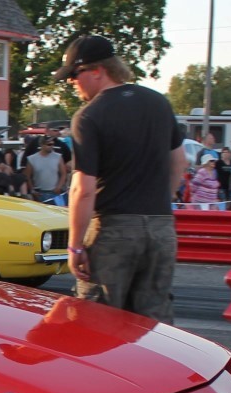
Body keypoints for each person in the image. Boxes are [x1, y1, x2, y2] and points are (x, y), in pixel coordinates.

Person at [58, 34, 186, 323]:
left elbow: (83, 189)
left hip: (113, 229)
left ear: (97, 71)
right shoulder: (158, 103)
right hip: (161, 227)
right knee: (156, 326)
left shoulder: (89, 115)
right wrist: (157, 202)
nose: (71, 83)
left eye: (74, 75)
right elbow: (179, 162)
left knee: (96, 323)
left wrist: (75, 246)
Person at [25, 136, 67, 202]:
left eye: (53, 144)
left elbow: (63, 173)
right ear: (42, 145)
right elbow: (28, 176)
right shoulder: (32, 159)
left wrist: (59, 187)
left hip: (55, 192)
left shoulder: (58, 157)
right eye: (49, 144)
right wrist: (32, 190)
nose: (51, 146)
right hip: (39, 193)